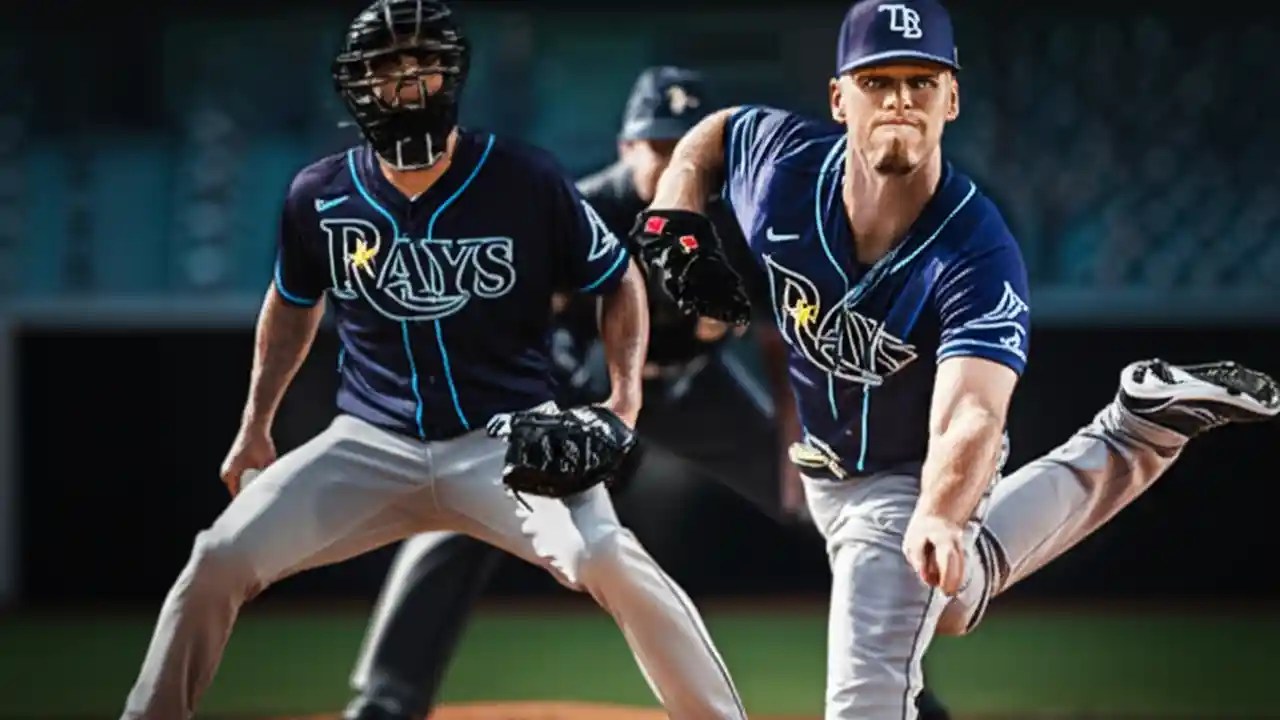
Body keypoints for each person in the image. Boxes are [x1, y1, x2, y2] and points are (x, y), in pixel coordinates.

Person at [627, 0, 1280, 717]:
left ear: (952, 99)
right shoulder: (781, 169)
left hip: (908, 477)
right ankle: (1140, 428)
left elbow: (971, 410)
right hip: (828, 472)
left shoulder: (976, 250)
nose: (900, 100)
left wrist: (938, 511)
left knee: (866, 696)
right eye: (877, 82)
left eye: (921, 81)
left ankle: (1115, 444)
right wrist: (674, 205)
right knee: (957, 597)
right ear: (840, 99)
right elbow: (710, 137)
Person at [118, 3, 748, 719]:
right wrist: (254, 423)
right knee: (218, 558)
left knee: (607, 559)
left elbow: (618, 280)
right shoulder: (318, 195)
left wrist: (622, 402)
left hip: (507, 440)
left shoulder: (523, 178)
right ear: (358, 86)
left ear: (451, 76)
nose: (406, 82)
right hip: (369, 442)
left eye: (422, 64)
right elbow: (292, 304)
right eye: (388, 69)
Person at [341, 63, 954, 720]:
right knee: (458, 510)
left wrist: (793, 435)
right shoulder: (577, 212)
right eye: (655, 146)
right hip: (583, 389)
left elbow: (786, 334)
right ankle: (385, 703)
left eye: (683, 145)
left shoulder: (744, 222)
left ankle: (905, 700)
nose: (669, 164)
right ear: (625, 147)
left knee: (831, 501)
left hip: (695, 391)